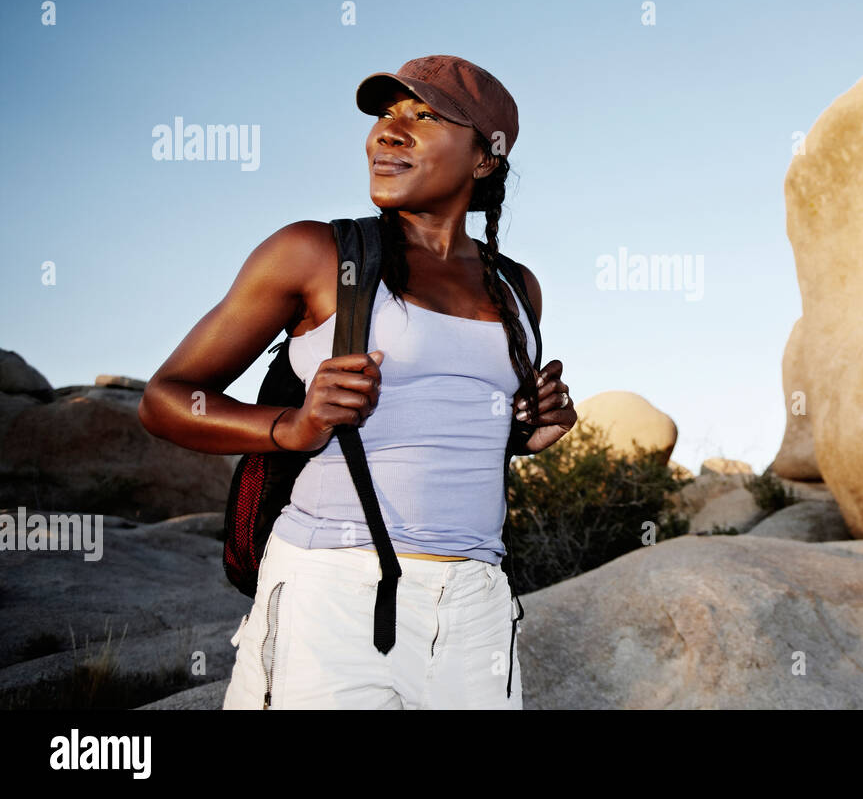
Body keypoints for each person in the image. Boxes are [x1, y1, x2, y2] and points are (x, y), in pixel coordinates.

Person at [138, 55, 577, 708]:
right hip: (331, 591)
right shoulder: (316, 253)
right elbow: (166, 398)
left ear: (486, 158)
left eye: (423, 115)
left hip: (476, 601)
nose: (389, 132)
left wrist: (524, 433)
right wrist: (292, 426)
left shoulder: (518, 287)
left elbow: (440, 426)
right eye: (385, 114)